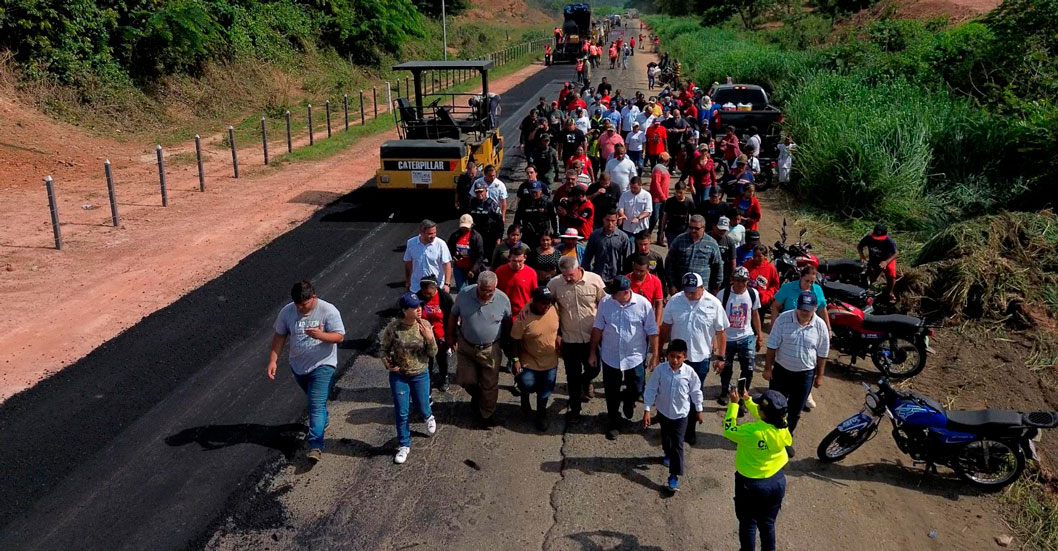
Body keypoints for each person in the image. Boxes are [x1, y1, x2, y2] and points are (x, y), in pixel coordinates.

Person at [267, 281, 346, 463]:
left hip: (323, 364)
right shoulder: (287, 312)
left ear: (313, 297)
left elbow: (339, 336)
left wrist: (320, 336)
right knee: (314, 400)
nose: (300, 308)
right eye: (297, 304)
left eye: (304, 304)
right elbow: (280, 335)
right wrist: (273, 360)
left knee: (315, 405)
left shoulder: (328, 311)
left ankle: (315, 445)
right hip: (299, 366)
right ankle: (323, 420)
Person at [660, 272, 728, 444]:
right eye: (687, 291)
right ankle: (671, 426)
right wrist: (658, 349)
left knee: (692, 395)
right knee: (672, 392)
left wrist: (720, 356)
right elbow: (666, 326)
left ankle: (689, 429)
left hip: (700, 359)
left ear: (702, 287)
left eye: (693, 291)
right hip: (677, 358)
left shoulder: (713, 304)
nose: (689, 295)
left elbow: (721, 333)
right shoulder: (675, 301)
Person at [590, 275, 660, 440]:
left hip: (634, 357)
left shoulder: (643, 305)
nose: (611, 295)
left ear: (626, 292)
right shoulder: (606, 303)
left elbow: (652, 330)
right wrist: (592, 351)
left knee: (636, 388)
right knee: (611, 392)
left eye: (615, 292)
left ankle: (629, 400)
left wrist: (655, 355)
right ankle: (614, 422)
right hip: (610, 356)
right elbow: (598, 327)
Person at [723, 388, 792, 551]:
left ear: (763, 412)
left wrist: (734, 405)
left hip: (750, 486)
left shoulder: (752, 432)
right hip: (776, 481)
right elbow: (765, 415)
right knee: (767, 524)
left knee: (748, 524)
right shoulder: (782, 424)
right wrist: (748, 400)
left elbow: (728, 430)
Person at [763, 291, 829, 454]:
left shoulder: (820, 326)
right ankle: (768, 436)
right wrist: (767, 368)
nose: (804, 313)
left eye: (808, 310)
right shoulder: (783, 319)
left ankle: (786, 439)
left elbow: (822, 354)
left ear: (815, 308)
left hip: (804, 375)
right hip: (781, 371)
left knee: (795, 410)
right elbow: (772, 346)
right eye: (801, 309)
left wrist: (819, 376)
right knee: (775, 406)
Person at [447, 271, 512, 428]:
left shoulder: (503, 299)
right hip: (467, 346)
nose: (486, 294)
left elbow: (508, 323)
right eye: (483, 290)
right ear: (478, 285)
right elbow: (453, 315)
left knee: (489, 384)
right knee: (465, 380)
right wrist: (450, 337)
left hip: (490, 349)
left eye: (490, 291)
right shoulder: (464, 294)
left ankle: (486, 414)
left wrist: (508, 346)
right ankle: (479, 397)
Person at [380, 292, 439, 464]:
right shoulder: (393, 328)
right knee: (401, 411)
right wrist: (387, 362)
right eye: (415, 307)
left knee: (422, 404)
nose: (419, 309)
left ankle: (428, 415)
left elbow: (433, 353)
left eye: (420, 306)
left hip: (420, 374)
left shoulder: (425, 325)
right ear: (405, 311)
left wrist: (429, 338)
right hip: (399, 376)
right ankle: (404, 445)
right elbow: (383, 349)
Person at [549, 256, 607, 420]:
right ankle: (575, 409)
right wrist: (556, 333)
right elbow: (546, 302)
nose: (567, 278)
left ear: (579, 268)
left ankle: (585, 382)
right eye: (564, 275)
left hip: (592, 338)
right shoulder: (555, 283)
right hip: (570, 339)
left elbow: (605, 304)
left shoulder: (595, 280)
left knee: (594, 369)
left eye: (570, 275)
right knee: (572, 376)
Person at [642, 338, 704, 493]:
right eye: (672, 356)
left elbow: (696, 391)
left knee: (678, 444)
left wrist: (699, 409)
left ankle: (673, 476)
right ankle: (667, 453)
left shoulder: (689, 373)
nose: (675, 360)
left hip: (681, 415)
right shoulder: (660, 370)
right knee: (666, 437)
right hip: (663, 412)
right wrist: (647, 409)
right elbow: (651, 389)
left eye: (679, 357)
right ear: (667, 355)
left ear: (685, 357)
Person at [511, 286, 562, 431]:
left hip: (550, 360)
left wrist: (560, 335)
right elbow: (514, 339)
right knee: (527, 383)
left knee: (545, 390)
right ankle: (524, 395)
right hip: (530, 360)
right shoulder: (524, 316)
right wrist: (515, 360)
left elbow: (560, 324)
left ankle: (541, 414)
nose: (547, 307)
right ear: (534, 301)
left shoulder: (553, 307)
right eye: (543, 303)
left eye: (549, 303)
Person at [720, 267, 762, 413]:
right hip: (728, 338)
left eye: (744, 281)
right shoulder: (723, 294)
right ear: (732, 280)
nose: (740, 284)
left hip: (747, 337)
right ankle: (725, 391)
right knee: (726, 368)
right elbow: (717, 318)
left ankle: (742, 397)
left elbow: (755, 314)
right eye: (737, 281)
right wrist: (715, 340)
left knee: (748, 370)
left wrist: (760, 336)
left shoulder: (752, 294)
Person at [665, 214, 723, 295]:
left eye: (696, 228)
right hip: (681, 290)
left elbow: (718, 267)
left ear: (703, 228)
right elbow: (669, 263)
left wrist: (716, 288)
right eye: (691, 227)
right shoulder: (679, 240)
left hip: (702, 291)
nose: (693, 230)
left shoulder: (712, 243)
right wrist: (671, 284)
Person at [416, 275, 454, 392]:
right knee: (427, 361)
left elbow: (452, 318)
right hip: (423, 336)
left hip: (440, 336)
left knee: (441, 359)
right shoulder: (417, 298)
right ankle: (428, 380)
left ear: (436, 288)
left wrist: (451, 337)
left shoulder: (445, 298)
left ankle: (444, 377)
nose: (427, 296)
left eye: (430, 294)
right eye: (424, 293)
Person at [583, 209, 634, 284]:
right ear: (603, 219)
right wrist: (587, 275)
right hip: (598, 277)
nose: (610, 223)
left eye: (613, 221)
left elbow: (627, 259)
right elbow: (587, 256)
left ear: (617, 220)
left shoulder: (623, 237)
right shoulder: (595, 236)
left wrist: (624, 277)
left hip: (616, 277)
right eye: (608, 220)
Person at [404, 219, 452, 293]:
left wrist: (447, 284)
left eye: (434, 233)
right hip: (417, 286)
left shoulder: (441, 244)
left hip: (436, 287)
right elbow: (408, 263)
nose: (433, 236)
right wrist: (407, 281)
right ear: (421, 233)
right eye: (430, 233)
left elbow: (447, 264)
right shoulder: (411, 243)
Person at [858, 223, 898, 303]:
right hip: (874, 258)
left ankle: (890, 292)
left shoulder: (888, 240)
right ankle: (866, 288)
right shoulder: (868, 238)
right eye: (876, 238)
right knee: (871, 275)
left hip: (888, 259)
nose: (878, 240)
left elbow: (896, 253)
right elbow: (859, 246)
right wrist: (862, 256)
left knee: (890, 272)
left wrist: (886, 262)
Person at [495, 245, 538, 319]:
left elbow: (534, 295)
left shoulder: (531, 273)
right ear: (509, 258)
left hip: (522, 314)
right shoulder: (500, 271)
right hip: (502, 313)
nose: (517, 264)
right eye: (514, 261)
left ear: (525, 258)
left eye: (520, 261)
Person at [514, 180, 559, 249]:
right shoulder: (523, 202)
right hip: (527, 234)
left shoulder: (547, 202)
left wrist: (556, 235)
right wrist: (517, 234)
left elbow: (554, 219)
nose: (534, 194)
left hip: (543, 234)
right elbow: (517, 219)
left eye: (536, 192)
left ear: (540, 190)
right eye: (532, 192)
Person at [622, 231, 669, 296]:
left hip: (651, 288)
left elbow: (661, 276)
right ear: (637, 243)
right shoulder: (631, 259)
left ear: (650, 242)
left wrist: (664, 293)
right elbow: (625, 276)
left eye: (645, 244)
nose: (643, 247)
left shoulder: (657, 258)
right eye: (640, 244)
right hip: (634, 289)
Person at [448, 214, 485, 293]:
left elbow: (480, 256)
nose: (464, 229)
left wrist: (473, 270)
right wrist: (453, 255)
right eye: (463, 227)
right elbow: (450, 248)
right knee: (462, 290)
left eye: (466, 227)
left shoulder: (477, 237)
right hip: (459, 266)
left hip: (472, 267)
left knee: (473, 290)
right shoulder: (455, 236)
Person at [468, 182, 504, 261]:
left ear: (486, 191)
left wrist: (499, 238)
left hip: (490, 236)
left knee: (491, 260)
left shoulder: (492, 205)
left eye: (481, 191)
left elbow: (500, 223)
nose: (479, 193)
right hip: (476, 236)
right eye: (477, 192)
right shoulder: (472, 204)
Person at [627, 253, 664, 327]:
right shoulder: (626, 279)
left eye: (641, 271)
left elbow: (659, 303)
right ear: (633, 266)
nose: (638, 273)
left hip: (648, 318)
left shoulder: (655, 281)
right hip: (629, 318)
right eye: (636, 269)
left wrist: (657, 324)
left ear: (648, 269)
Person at [744, 244, 781, 312]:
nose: (756, 259)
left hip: (761, 302)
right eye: (754, 256)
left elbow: (775, 286)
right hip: (746, 298)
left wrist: (767, 296)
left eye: (759, 256)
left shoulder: (770, 268)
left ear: (765, 256)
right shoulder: (747, 265)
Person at [659, 181, 693, 246]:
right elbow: (665, 217)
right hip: (671, 231)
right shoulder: (670, 201)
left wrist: (690, 230)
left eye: (680, 192)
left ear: (685, 191)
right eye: (677, 192)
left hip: (684, 231)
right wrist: (661, 232)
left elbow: (694, 217)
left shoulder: (689, 202)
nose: (678, 194)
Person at [711, 216, 738, 289]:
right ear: (714, 226)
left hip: (723, 275)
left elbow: (733, 261)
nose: (722, 232)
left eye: (724, 230)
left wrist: (732, 276)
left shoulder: (729, 241)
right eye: (720, 229)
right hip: (708, 274)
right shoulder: (706, 239)